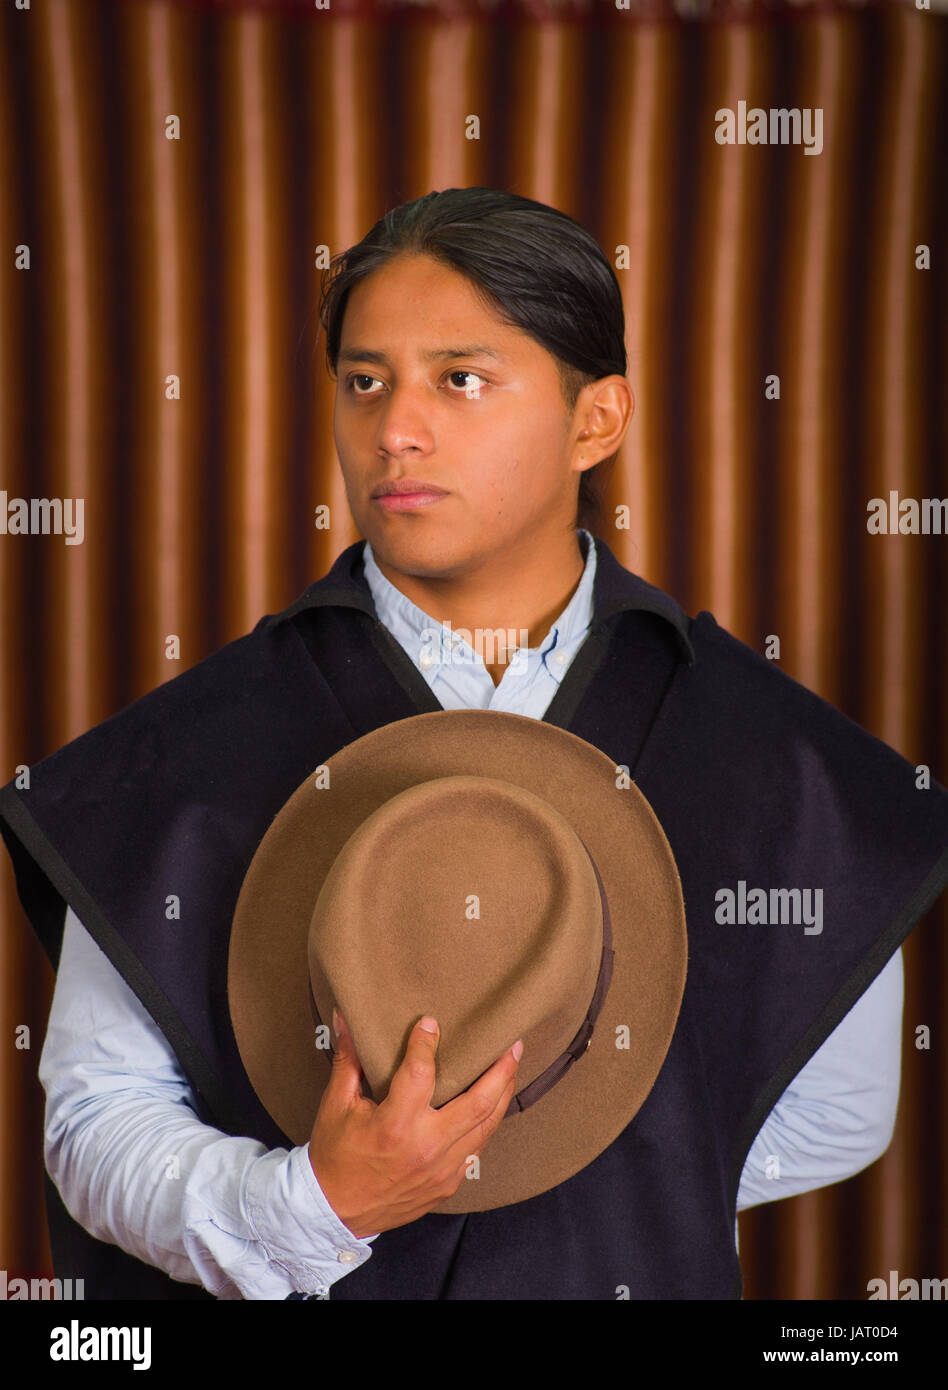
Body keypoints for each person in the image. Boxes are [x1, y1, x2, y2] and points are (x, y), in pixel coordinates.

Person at [2, 188, 943, 1301]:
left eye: (462, 378)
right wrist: (316, 1203)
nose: (395, 427)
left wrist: (584, 1184)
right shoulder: (182, 755)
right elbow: (98, 1124)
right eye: (365, 381)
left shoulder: (776, 757)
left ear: (596, 419)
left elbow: (836, 1108)